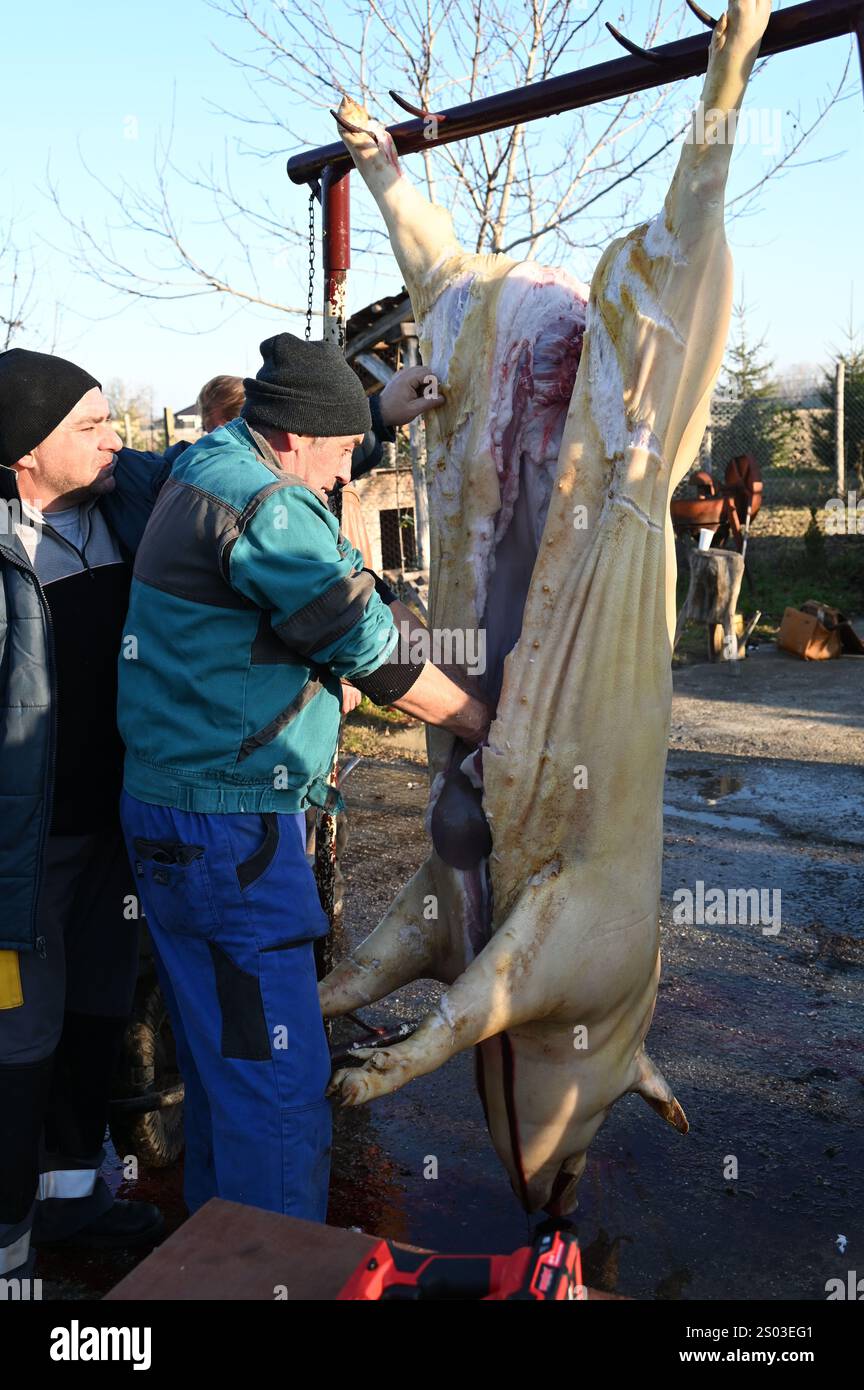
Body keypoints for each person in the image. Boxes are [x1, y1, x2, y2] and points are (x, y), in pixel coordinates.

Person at [0, 345, 433, 1281]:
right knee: (19, 1033)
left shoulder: (127, 495)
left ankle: (84, 1204)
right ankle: (13, 1248)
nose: (116, 439)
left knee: (101, 1014)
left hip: (125, 822)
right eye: (89, 425)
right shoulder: (10, 544)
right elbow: (270, 469)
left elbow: (262, 444)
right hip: (33, 837)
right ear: (24, 452)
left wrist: (376, 408)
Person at [117, 332, 493, 1223]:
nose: (338, 478)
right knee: (281, 1085)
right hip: (231, 836)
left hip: (173, 815)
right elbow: (368, 647)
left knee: (227, 1066)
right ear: (289, 441)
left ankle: (219, 1258)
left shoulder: (212, 458)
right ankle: (272, 1275)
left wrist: (374, 417)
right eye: (333, 459)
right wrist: (484, 723)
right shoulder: (270, 506)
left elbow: (307, 450)